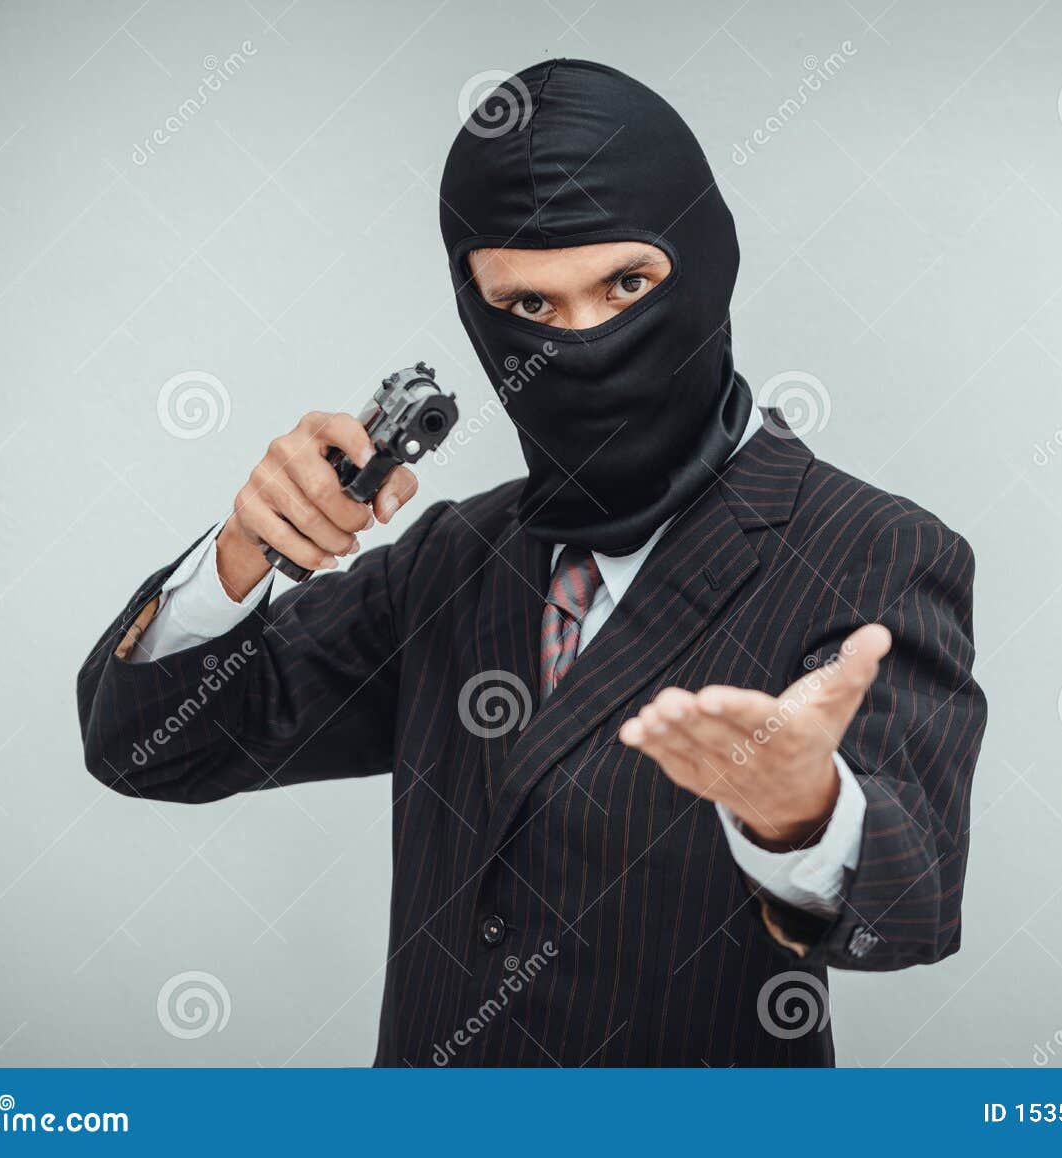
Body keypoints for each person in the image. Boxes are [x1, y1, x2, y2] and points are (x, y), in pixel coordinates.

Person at [77, 58, 987, 1066]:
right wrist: (246, 550)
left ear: (707, 259)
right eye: (533, 310)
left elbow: (913, 898)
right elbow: (155, 748)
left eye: (627, 284)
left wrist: (802, 812)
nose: (589, 343)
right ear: (477, 315)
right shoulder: (453, 558)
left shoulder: (873, 549)